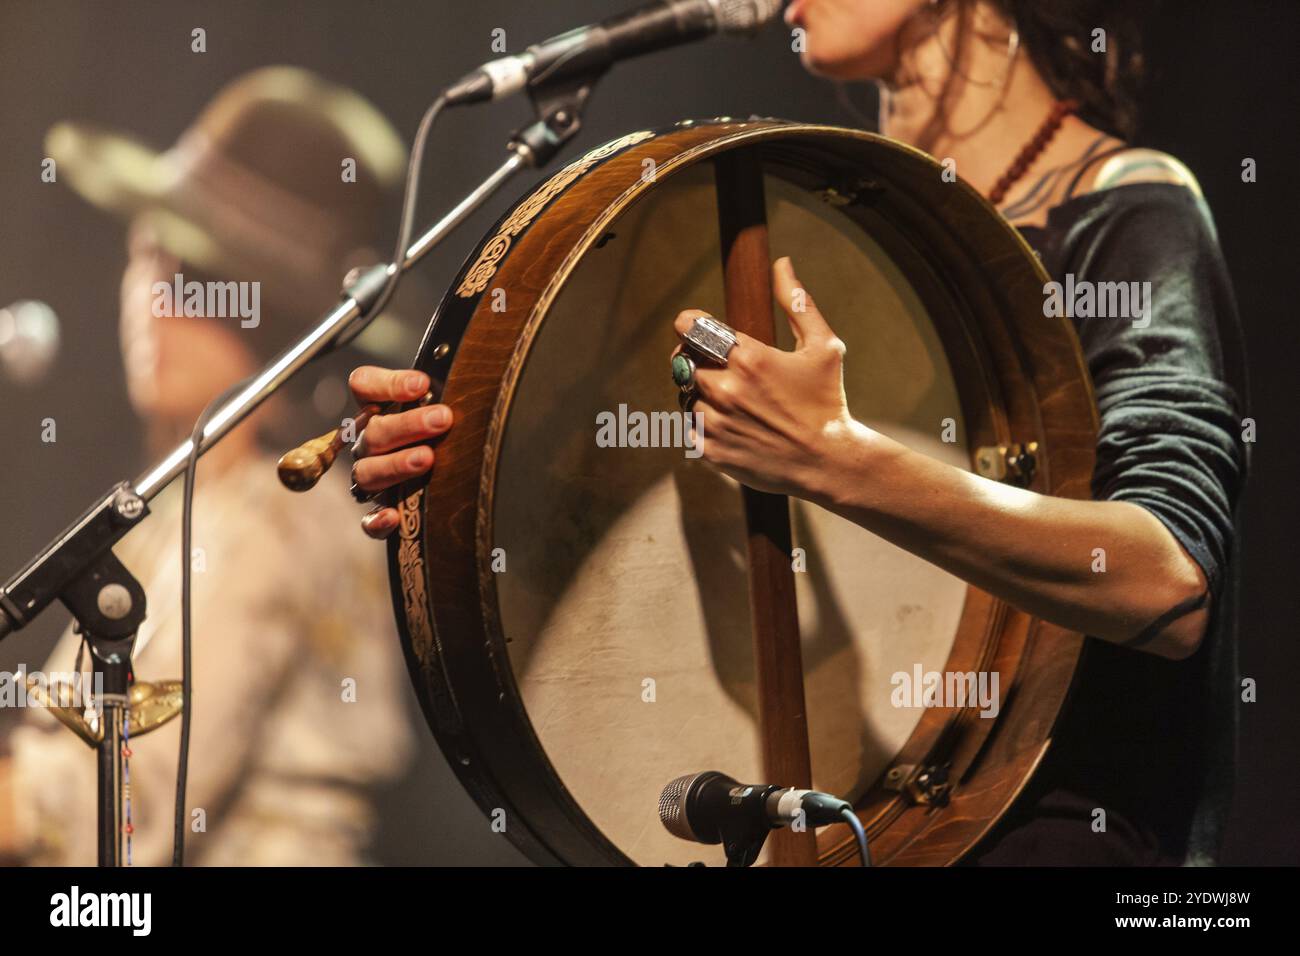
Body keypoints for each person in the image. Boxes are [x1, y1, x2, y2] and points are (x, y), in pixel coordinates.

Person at [346, 0, 1246, 865]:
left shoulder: (1129, 210)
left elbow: (1168, 583)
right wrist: (455, 465)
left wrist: (837, 460)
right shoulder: (827, 215)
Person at [0, 67, 419, 865]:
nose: (152, 297)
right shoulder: (185, 506)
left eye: (194, 278)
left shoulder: (279, 516)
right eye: (147, 255)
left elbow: (115, 808)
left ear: (272, 312)